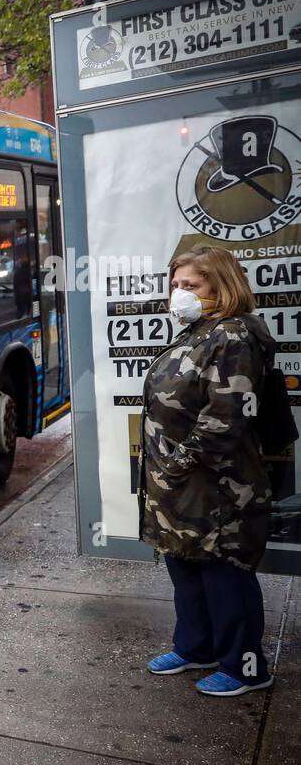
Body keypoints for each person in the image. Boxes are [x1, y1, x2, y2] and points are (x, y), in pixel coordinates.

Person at [142, 245, 277, 696]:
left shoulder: (234, 337)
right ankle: (196, 646)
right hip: (182, 485)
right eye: (176, 285)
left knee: (225, 575)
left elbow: (224, 420)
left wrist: (175, 467)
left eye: (191, 285)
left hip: (218, 486)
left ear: (220, 287)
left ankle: (245, 668)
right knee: (187, 568)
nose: (179, 293)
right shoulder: (200, 331)